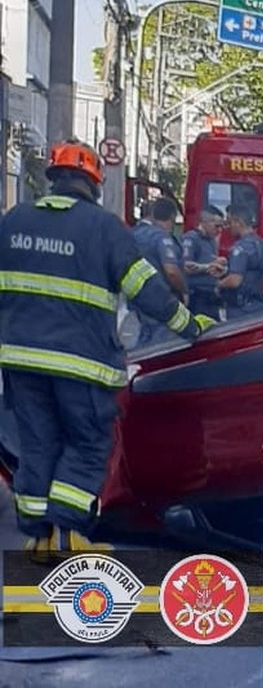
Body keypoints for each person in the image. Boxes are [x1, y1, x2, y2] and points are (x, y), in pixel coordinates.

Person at [0, 141, 213, 557]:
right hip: (83, 365)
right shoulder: (103, 228)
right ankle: (67, 533)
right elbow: (145, 290)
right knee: (86, 444)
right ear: (92, 183)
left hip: (21, 363)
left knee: (37, 443)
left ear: (53, 179)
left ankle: (37, 535)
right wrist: (188, 325)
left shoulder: (14, 221)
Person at [132, 197, 189, 346]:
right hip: (162, 298)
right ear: (171, 217)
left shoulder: (135, 234)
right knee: (162, 346)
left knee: (145, 342)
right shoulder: (161, 237)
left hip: (139, 296)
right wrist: (184, 291)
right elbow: (171, 272)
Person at [216, 204, 263, 319]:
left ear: (238, 222)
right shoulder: (262, 244)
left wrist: (218, 285)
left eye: (229, 223)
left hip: (240, 310)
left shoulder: (240, 248)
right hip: (258, 305)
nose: (228, 227)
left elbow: (235, 281)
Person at [182, 206, 225, 320]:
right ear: (205, 222)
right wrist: (209, 266)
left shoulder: (212, 241)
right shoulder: (191, 239)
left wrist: (221, 267)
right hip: (197, 295)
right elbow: (185, 266)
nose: (219, 230)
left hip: (211, 295)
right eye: (217, 226)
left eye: (221, 226)